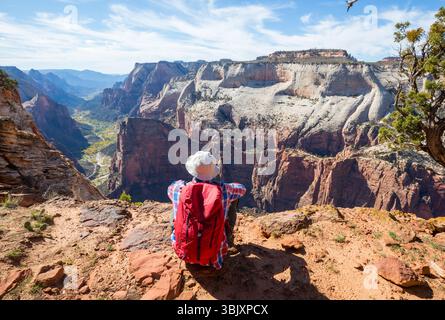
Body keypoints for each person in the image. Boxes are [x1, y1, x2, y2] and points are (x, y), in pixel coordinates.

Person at [167, 151, 246, 269]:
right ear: (213, 171)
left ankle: (181, 237)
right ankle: (228, 238)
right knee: (233, 200)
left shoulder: (178, 188)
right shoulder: (224, 191)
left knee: (177, 205)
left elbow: (170, 187)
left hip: (184, 253)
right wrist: (224, 185)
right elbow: (242, 189)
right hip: (214, 256)